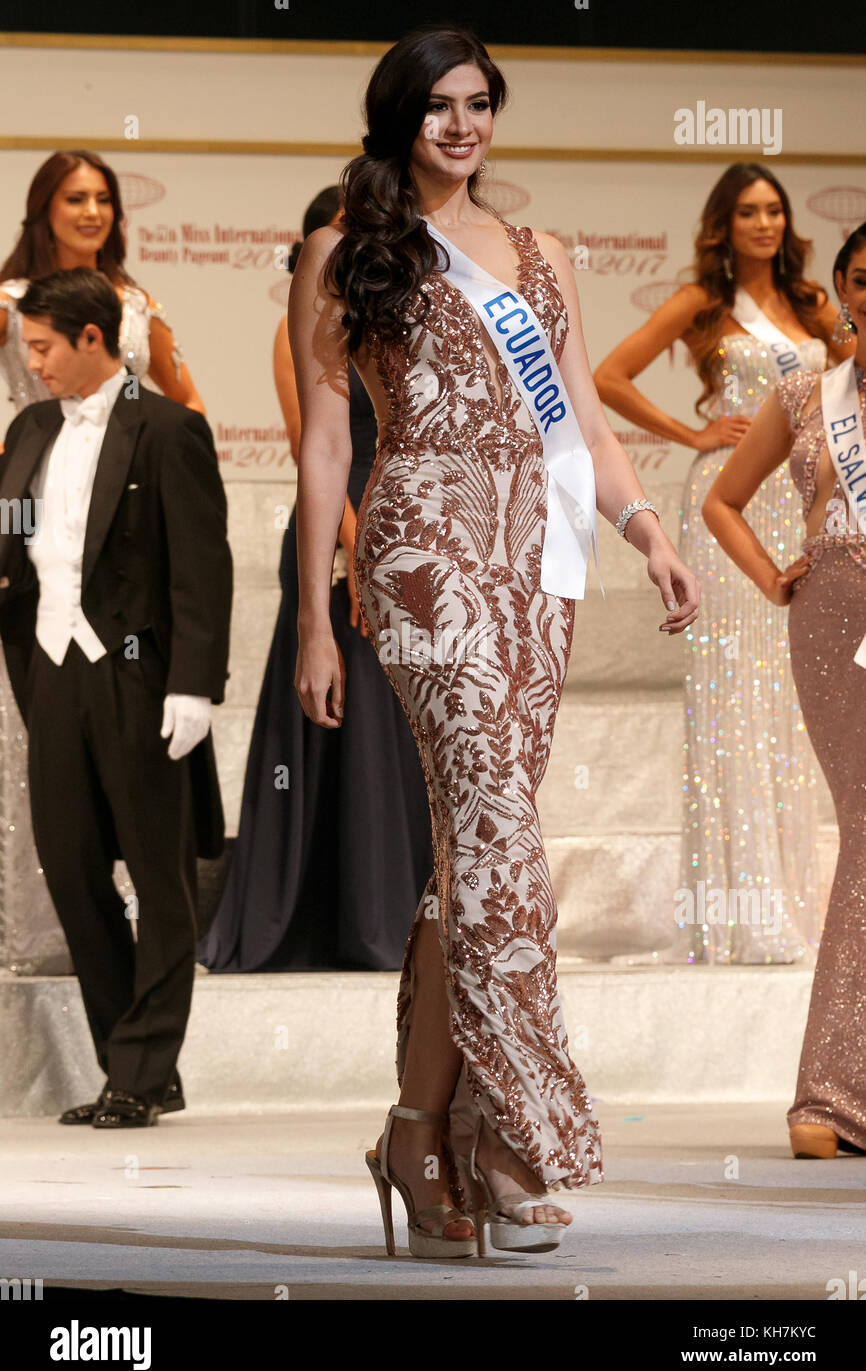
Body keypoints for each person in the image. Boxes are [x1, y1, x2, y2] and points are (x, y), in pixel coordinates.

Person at [289, 25, 699, 1257]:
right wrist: (314, 615)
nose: (461, 126)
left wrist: (644, 531)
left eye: (478, 105)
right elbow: (321, 447)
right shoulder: (341, 249)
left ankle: (418, 1131)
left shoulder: (541, 253)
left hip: (539, 563)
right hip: (424, 557)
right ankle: (515, 1141)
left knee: (475, 852)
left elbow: (582, 418)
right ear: (397, 116)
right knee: (498, 836)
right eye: (437, 107)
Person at [595, 164, 852, 965]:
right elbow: (606, 376)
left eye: (775, 210)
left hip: (800, 501)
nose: (765, 224)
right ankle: (739, 910)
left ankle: (791, 901)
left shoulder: (814, 306)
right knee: (733, 697)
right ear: (724, 223)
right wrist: (691, 433)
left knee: (784, 703)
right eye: (748, 212)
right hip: (728, 503)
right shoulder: (701, 303)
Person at [0, 268, 232, 1127]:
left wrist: (195, 685)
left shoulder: (168, 431)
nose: (35, 366)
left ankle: (140, 1070)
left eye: (45, 348)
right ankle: (129, 1061)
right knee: (69, 865)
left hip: (139, 673)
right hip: (54, 673)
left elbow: (203, 565)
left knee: (161, 877)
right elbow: (15, 539)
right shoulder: (28, 431)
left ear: (93, 339)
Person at [199, 187, 433, 973]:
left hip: (406, 524)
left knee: (397, 734)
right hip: (337, 532)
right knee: (343, 713)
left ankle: (399, 911)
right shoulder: (294, 327)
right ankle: (338, 916)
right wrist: (361, 549)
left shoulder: (404, 324)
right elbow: (314, 448)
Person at [0, 149, 205, 976]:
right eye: (73, 197)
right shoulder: (9, 302)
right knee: (40, 772)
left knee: (142, 791)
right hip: (34, 528)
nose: (90, 212)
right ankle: (38, 935)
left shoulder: (135, 302)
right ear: (43, 207)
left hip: (124, 553)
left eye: (103, 199)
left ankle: (147, 1014)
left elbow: (186, 401)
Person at [703, 224, 866, 1159]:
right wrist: (773, 577)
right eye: (862, 279)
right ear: (842, 288)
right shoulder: (808, 391)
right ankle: (829, 1097)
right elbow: (723, 498)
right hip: (837, 616)